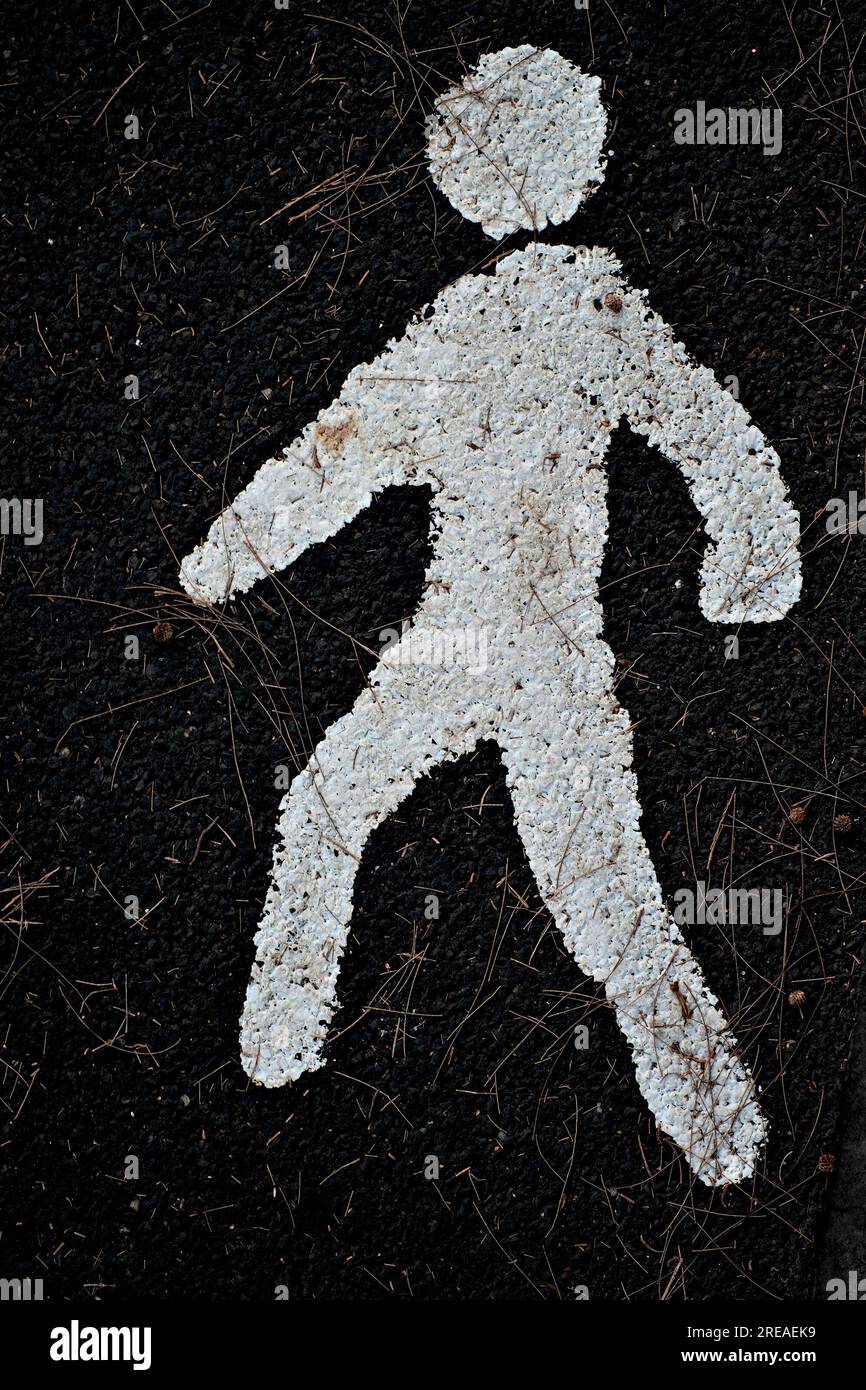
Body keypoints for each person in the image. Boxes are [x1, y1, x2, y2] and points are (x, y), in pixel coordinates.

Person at [180, 46, 801, 1186]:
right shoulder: (582, 304)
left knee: (334, 809)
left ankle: (282, 1029)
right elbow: (704, 427)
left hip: (468, 639)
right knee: (591, 887)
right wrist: (749, 555)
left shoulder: (471, 324)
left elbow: (334, 456)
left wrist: (225, 559)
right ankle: (712, 1116)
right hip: (529, 645)